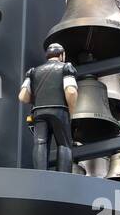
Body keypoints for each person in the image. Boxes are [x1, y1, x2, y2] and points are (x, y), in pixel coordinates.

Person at [18, 43, 78, 172]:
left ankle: (40, 174)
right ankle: (63, 175)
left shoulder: (33, 71)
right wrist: (72, 112)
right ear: (62, 55)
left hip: (38, 112)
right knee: (64, 144)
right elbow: (71, 91)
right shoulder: (66, 67)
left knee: (40, 143)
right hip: (59, 111)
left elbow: (23, 97)